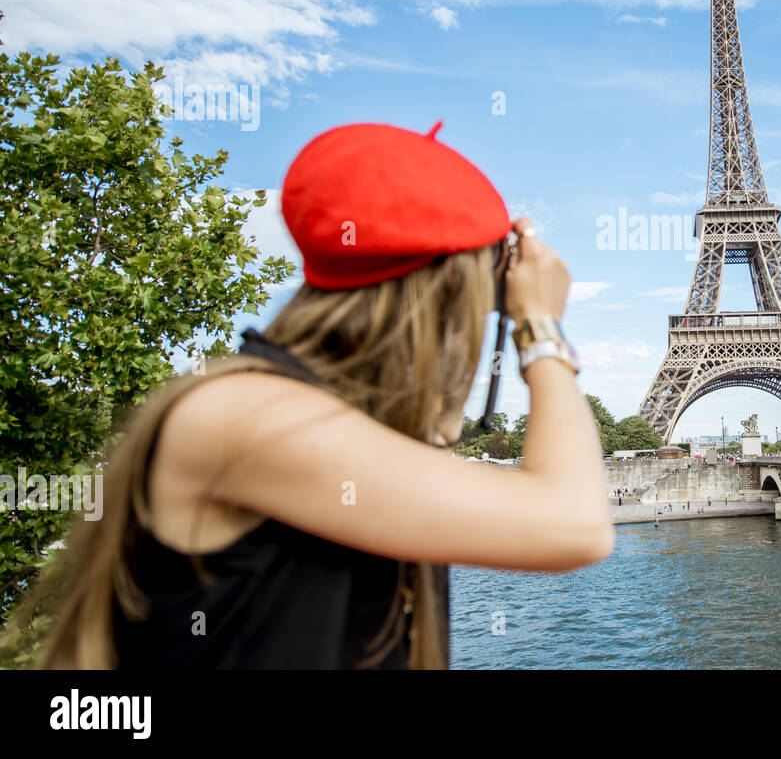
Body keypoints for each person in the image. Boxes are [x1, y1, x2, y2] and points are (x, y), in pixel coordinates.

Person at [22, 122, 612, 669]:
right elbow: (575, 525)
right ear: (449, 290)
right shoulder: (241, 415)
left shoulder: (288, 414)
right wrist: (537, 324)